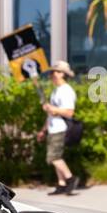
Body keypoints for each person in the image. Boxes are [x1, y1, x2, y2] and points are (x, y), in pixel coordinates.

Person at [42, 60, 79, 195]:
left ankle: (70, 178)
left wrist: (53, 108)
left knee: (53, 157)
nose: (52, 74)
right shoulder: (55, 91)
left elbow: (69, 112)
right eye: (52, 72)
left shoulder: (66, 91)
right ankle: (61, 184)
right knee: (57, 156)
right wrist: (43, 129)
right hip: (53, 128)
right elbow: (51, 114)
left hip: (61, 128)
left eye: (56, 72)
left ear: (63, 74)